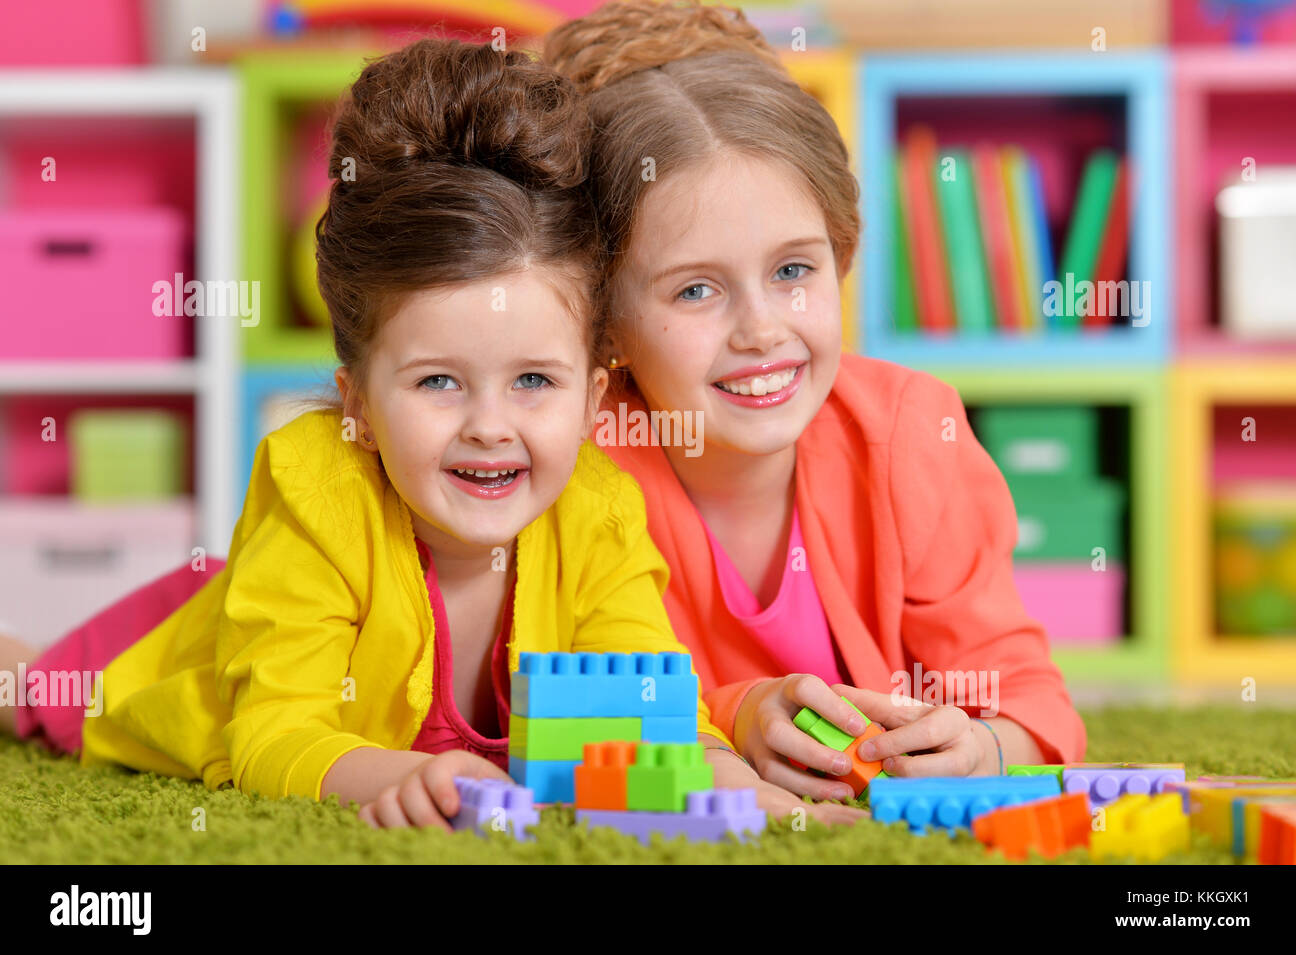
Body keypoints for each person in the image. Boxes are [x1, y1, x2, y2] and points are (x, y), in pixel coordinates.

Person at [0, 37, 801, 831]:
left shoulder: (602, 514)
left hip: (268, 584)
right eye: (438, 382)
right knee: (39, 691)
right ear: (356, 404)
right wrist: (412, 773)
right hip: (196, 655)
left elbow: (652, 703)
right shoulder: (317, 489)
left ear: (595, 399)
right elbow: (272, 738)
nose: (490, 427)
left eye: (533, 381)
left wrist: (725, 774)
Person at [543, 0, 1088, 802]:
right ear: (603, 316)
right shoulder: (580, 463)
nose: (762, 330)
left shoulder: (910, 435)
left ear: (839, 255)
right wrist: (740, 711)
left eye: (793, 271)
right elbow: (570, 709)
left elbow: (1030, 701)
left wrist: (983, 745)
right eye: (696, 289)